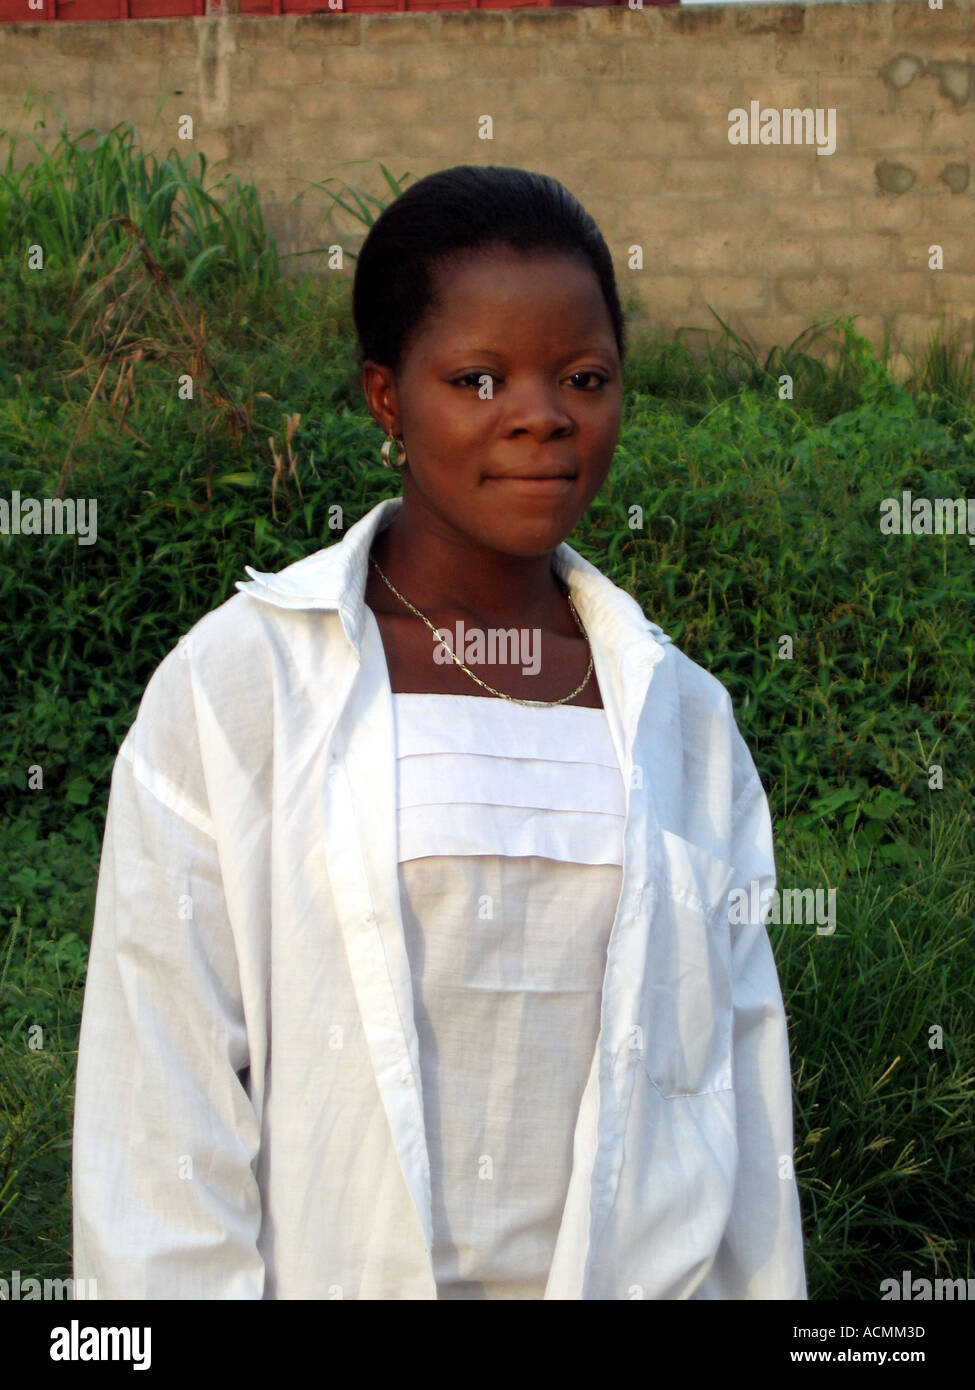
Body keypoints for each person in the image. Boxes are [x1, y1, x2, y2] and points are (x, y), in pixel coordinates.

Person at [72, 164, 807, 1299]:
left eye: (583, 375)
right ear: (386, 398)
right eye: (477, 376)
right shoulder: (243, 690)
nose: (541, 415)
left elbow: (740, 1112)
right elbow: (156, 1112)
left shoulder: (684, 723)